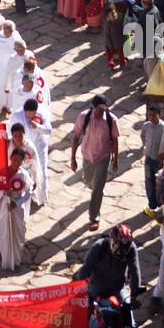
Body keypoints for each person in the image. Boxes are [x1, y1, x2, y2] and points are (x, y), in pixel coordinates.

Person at [73, 223, 144, 328]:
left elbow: (135, 272)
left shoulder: (131, 249)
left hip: (118, 289)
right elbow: (87, 268)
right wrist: (77, 285)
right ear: (112, 240)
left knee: (131, 324)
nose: (120, 251)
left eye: (124, 248)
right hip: (96, 286)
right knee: (81, 315)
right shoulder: (99, 246)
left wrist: (135, 295)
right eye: (118, 246)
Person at [70, 95, 119, 230]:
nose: (101, 112)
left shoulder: (111, 120)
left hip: (103, 157)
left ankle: (94, 217)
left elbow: (115, 140)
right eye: (99, 109)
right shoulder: (83, 117)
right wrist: (73, 158)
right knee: (88, 182)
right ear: (93, 107)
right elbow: (75, 137)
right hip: (87, 156)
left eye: (103, 109)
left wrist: (115, 159)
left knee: (98, 189)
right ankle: (95, 194)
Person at [0, 148, 33, 271]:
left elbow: (29, 191)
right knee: (3, 233)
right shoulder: (2, 172)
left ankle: (15, 260)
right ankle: (6, 258)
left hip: (16, 208)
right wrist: (3, 192)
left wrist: (17, 202)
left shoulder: (23, 175)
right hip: (4, 207)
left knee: (18, 233)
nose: (16, 162)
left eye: (19, 160)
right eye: (14, 159)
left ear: (22, 162)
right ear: (10, 158)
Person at [141, 105, 164, 209]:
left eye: (154, 115)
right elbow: (142, 136)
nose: (151, 117)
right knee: (149, 183)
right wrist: (145, 146)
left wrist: (163, 157)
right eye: (149, 115)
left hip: (159, 160)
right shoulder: (146, 125)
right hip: (148, 158)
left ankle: (160, 204)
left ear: (159, 115)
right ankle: (152, 204)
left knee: (158, 184)